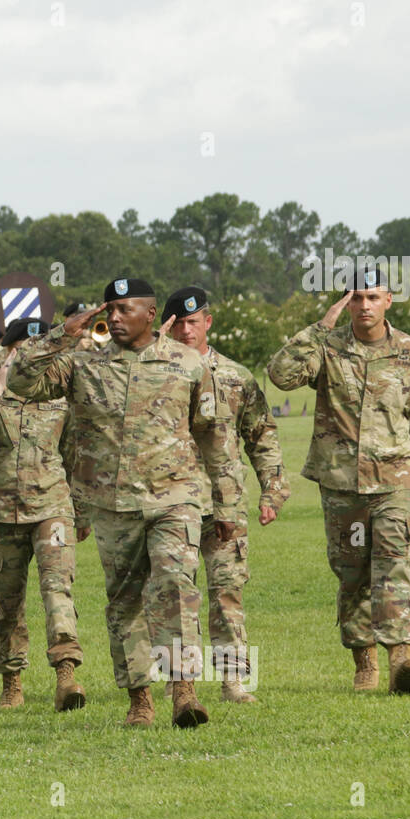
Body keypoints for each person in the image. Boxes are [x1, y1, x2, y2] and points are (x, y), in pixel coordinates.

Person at [7, 277, 240, 728]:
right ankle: (140, 699)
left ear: (150, 314)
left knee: (176, 586)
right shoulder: (83, 365)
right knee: (125, 603)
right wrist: (63, 332)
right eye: (108, 309)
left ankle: (184, 690)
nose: (113, 317)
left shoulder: (188, 363)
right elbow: (20, 378)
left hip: (176, 500)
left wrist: (226, 505)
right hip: (113, 505)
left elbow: (215, 436)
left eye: (124, 309)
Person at [268, 272, 410, 695]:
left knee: (394, 564)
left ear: (388, 301)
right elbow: (280, 375)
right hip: (341, 482)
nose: (364, 306)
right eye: (356, 297)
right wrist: (319, 328)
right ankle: (365, 661)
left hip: (396, 479)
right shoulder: (327, 347)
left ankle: (401, 658)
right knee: (352, 573)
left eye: (373, 297)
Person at [161, 286, 289, 703]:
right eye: (177, 323)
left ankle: (233, 680)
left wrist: (273, 488)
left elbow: (261, 434)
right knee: (173, 594)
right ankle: (177, 680)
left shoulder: (235, 377)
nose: (184, 331)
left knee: (226, 590)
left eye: (192, 323)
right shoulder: (152, 375)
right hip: (168, 504)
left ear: (208, 323)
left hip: (223, 505)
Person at [0, 318, 84, 711]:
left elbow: (76, 454)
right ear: (8, 349)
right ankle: (11, 681)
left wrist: (80, 509)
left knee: (57, 587)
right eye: (21, 347)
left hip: (53, 509)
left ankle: (66, 673)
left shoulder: (61, 394)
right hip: (3, 513)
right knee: (8, 602)